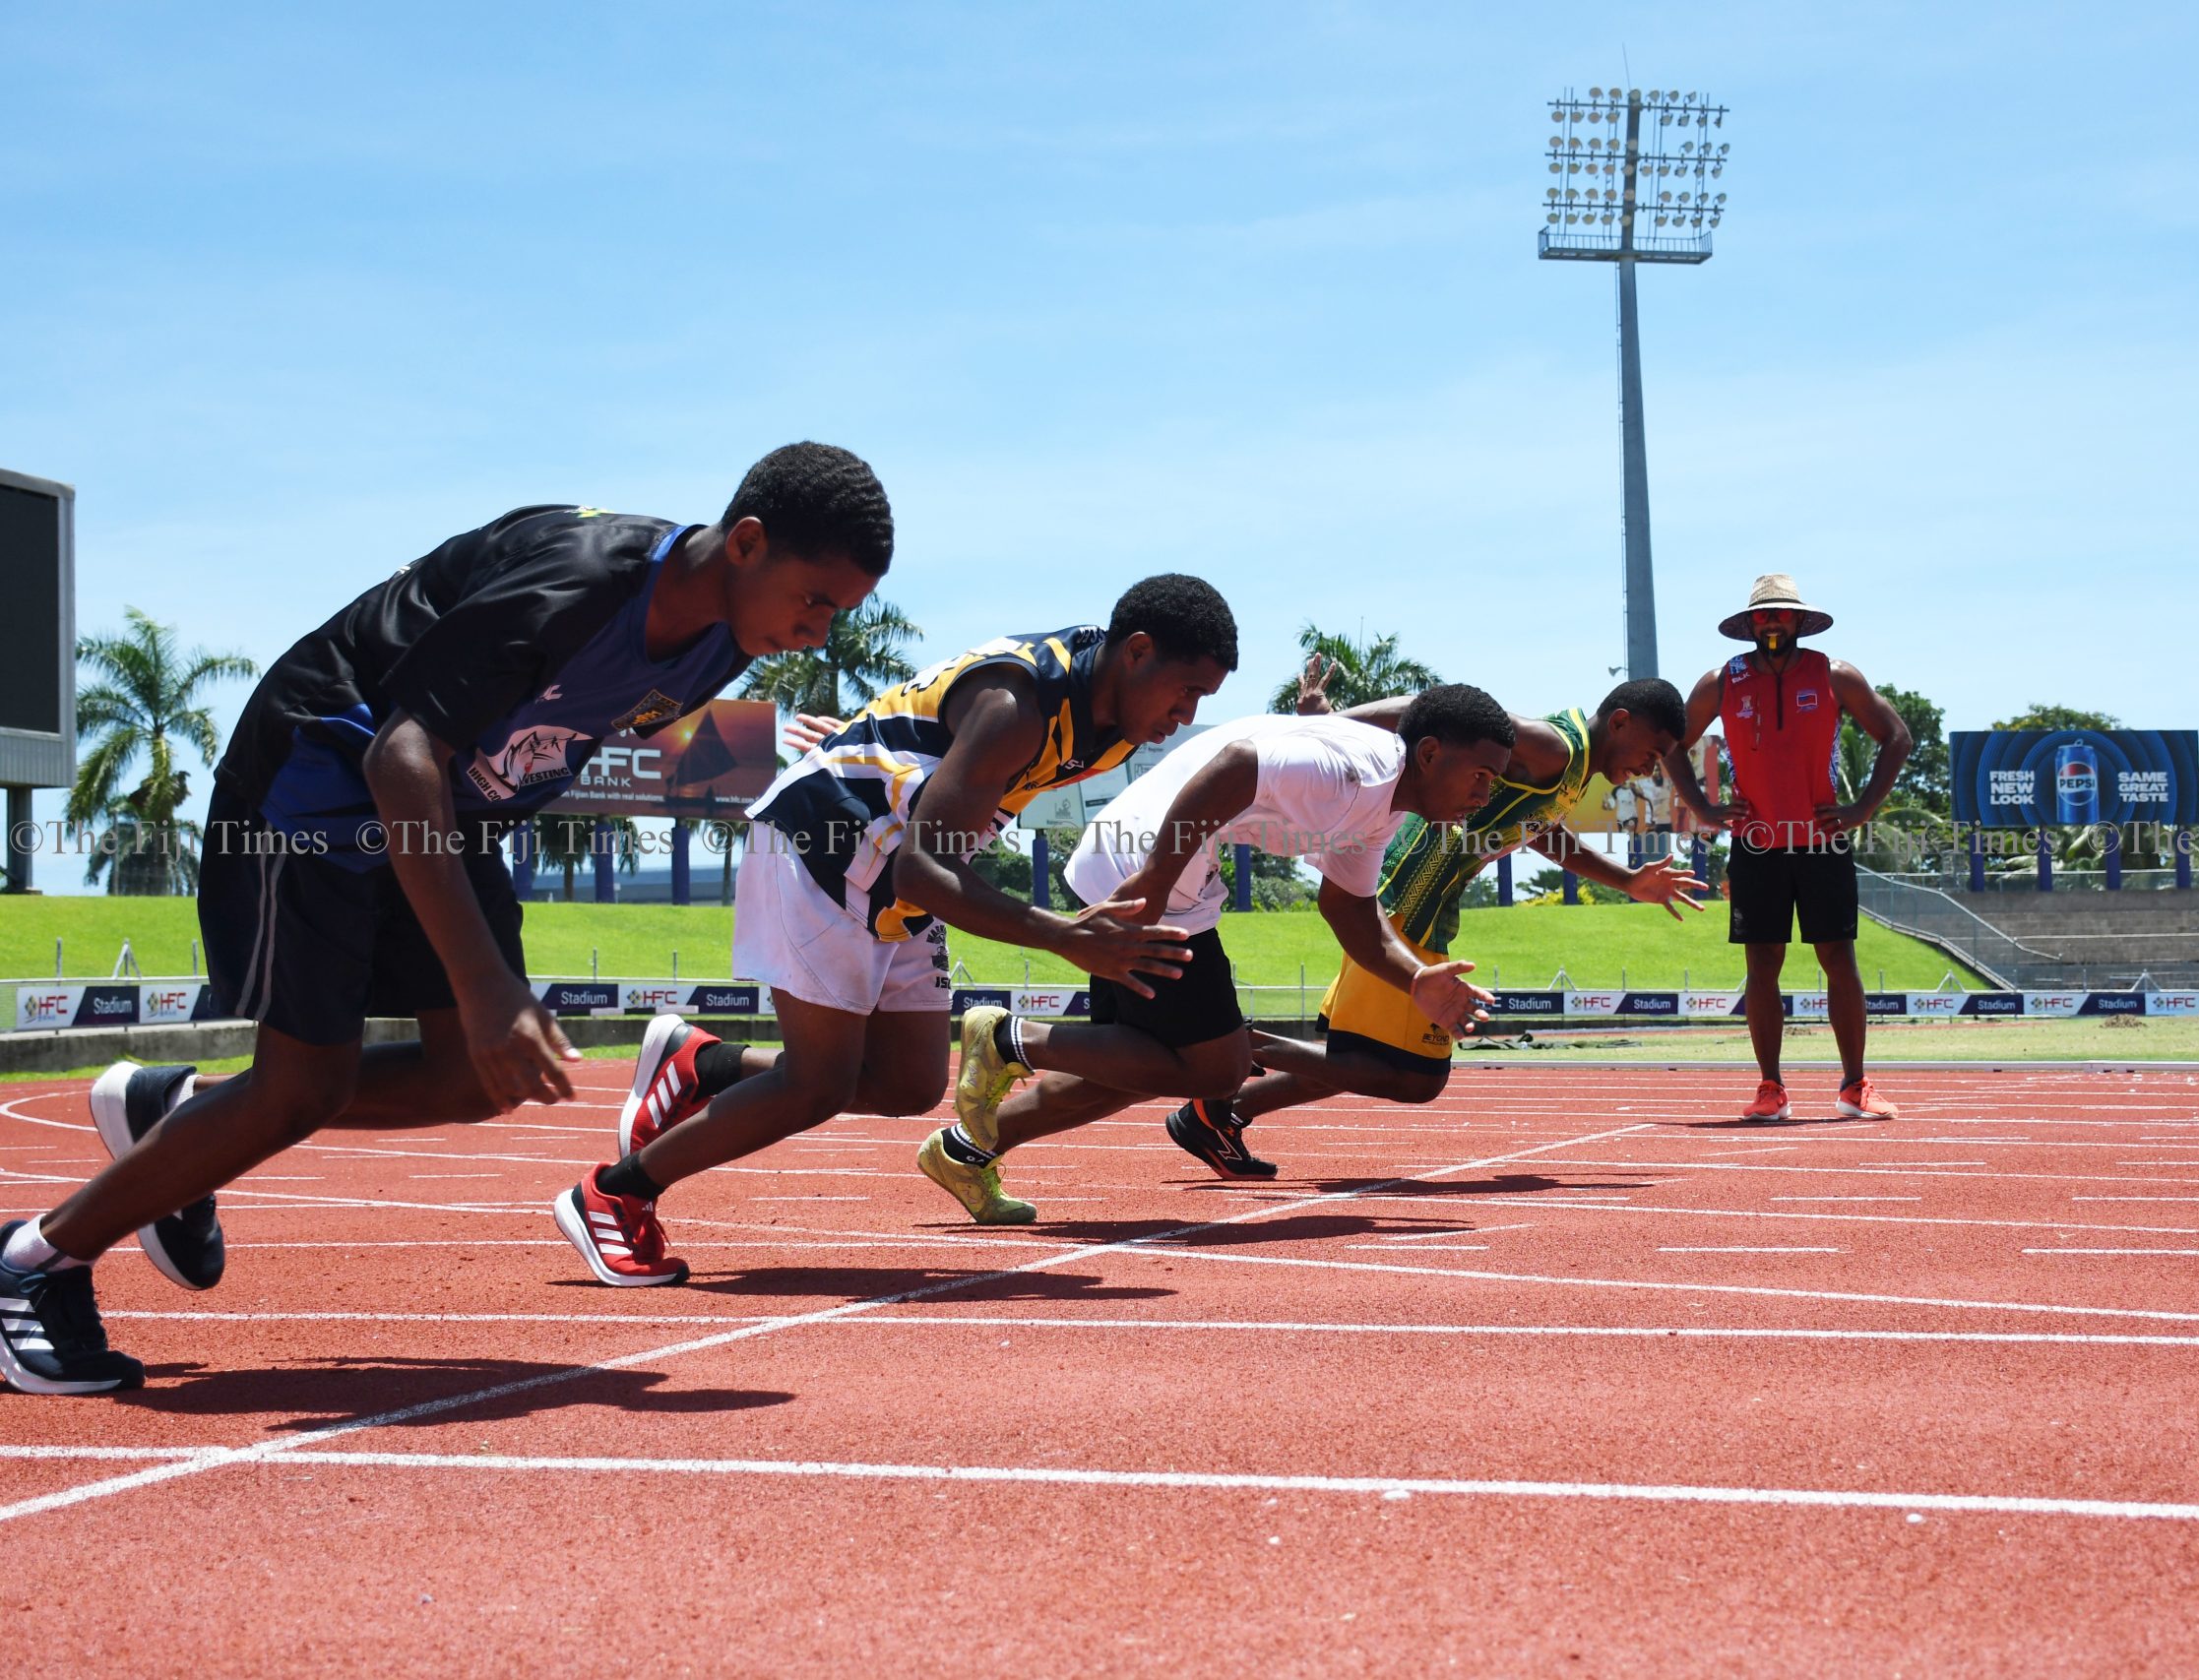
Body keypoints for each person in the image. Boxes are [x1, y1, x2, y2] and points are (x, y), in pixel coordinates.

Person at [0, 444, 892, 1394]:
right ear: (748, 543)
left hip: (447, 814)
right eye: (817, 600)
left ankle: (178, 1116)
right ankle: (32, 1265)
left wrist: (751, 743)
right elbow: (400, 753)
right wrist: (485, 985)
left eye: (839, 613)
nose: (820, 630)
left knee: (471, 1078)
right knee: (301, 1085)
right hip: (321, 791)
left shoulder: (721, 640)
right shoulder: (581, 578)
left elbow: (586, 716)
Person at [551, 577, 1237, 1283]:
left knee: (908, 1083)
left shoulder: (1110, 719)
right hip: (825, 846)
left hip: (899, 863)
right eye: (1183, 691)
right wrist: (1065, 935)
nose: (1183, 716)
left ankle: (704, 1064)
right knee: (816, 1085)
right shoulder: (1017, 705)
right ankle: (615, 1192)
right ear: (1138, 651)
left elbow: (927, 792)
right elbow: (923, 868)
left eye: (1200, 702)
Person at [915, 686, 1517, 1223]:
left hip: (1151, 868)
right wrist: (1155, 879)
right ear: (1432, 753)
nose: (1485, 794)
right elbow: (1236, 763)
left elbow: (1350, 909)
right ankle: (1010, 1039)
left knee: (1140, 1063)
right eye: (1483, 775)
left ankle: (967, 1149)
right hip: (1149, 871)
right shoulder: (1354, 773)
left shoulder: (1380, 806)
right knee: (1214, 1070)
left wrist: (1414, 980)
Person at [1165, 676, 1706, 1178]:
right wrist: (1321, 728)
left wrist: (1628, 880)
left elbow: (1543, 833)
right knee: (1411, 1075)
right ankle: (1245, 1049)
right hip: (1404, 901)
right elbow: (1420, 712)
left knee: (1366, 1059)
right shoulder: (1553, 747)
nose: (1650, 768)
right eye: (1652, 753)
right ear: (1620, 723)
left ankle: (1223, 1111)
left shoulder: (1569, 774)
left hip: (1421, 906)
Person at [1670, 575, 1912, 1123]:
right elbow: (1671, 745)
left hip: (1822, 841)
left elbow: (1896, 737)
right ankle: (1770, 1088)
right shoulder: (1721, 682)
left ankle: (1855, 1086)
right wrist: (1704, 810)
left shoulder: (1833, 674)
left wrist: (1862, 810)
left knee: (1838, 957)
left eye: (1782, 614)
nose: (1773, 622)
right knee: (1763, 963)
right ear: (1750, 624)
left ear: (1800, 621)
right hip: (1756, 845)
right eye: (1763, 615)